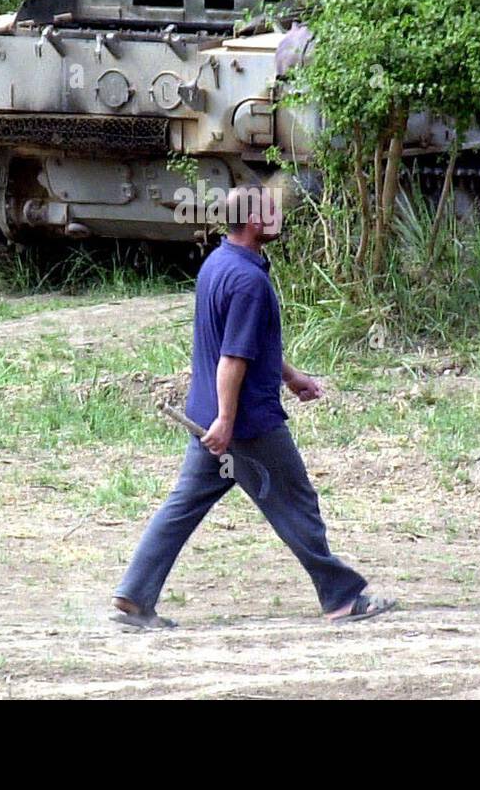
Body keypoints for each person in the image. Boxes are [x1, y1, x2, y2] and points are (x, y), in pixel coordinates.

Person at [112, 184, 395, 627]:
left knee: (182, 506)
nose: (280, 216)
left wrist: (291, 375)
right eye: (272, 211)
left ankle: (134, 595)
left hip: (204, 417)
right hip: (246, 426)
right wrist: (227, 420)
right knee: (296, 503)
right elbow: (232, 358)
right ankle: (341, 597)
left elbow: (247, 341)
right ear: (256, 222)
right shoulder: (249, 281)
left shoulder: (218, 264)